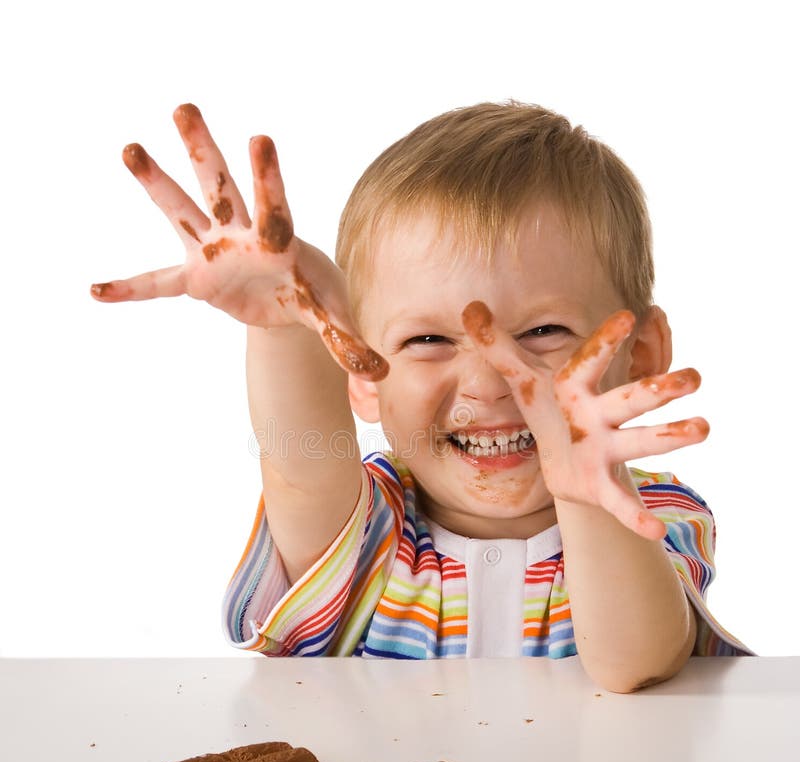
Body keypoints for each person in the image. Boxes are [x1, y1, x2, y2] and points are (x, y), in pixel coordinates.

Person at [92, 101, 751, 693]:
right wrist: (286, 326)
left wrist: (585, 484)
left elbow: (636, 663)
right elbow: (298, 476)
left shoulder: (655, 512)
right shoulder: (370, 530)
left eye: (543, 332)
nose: (490, 382)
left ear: (640, 355)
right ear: (362, 373)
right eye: (430, 338)